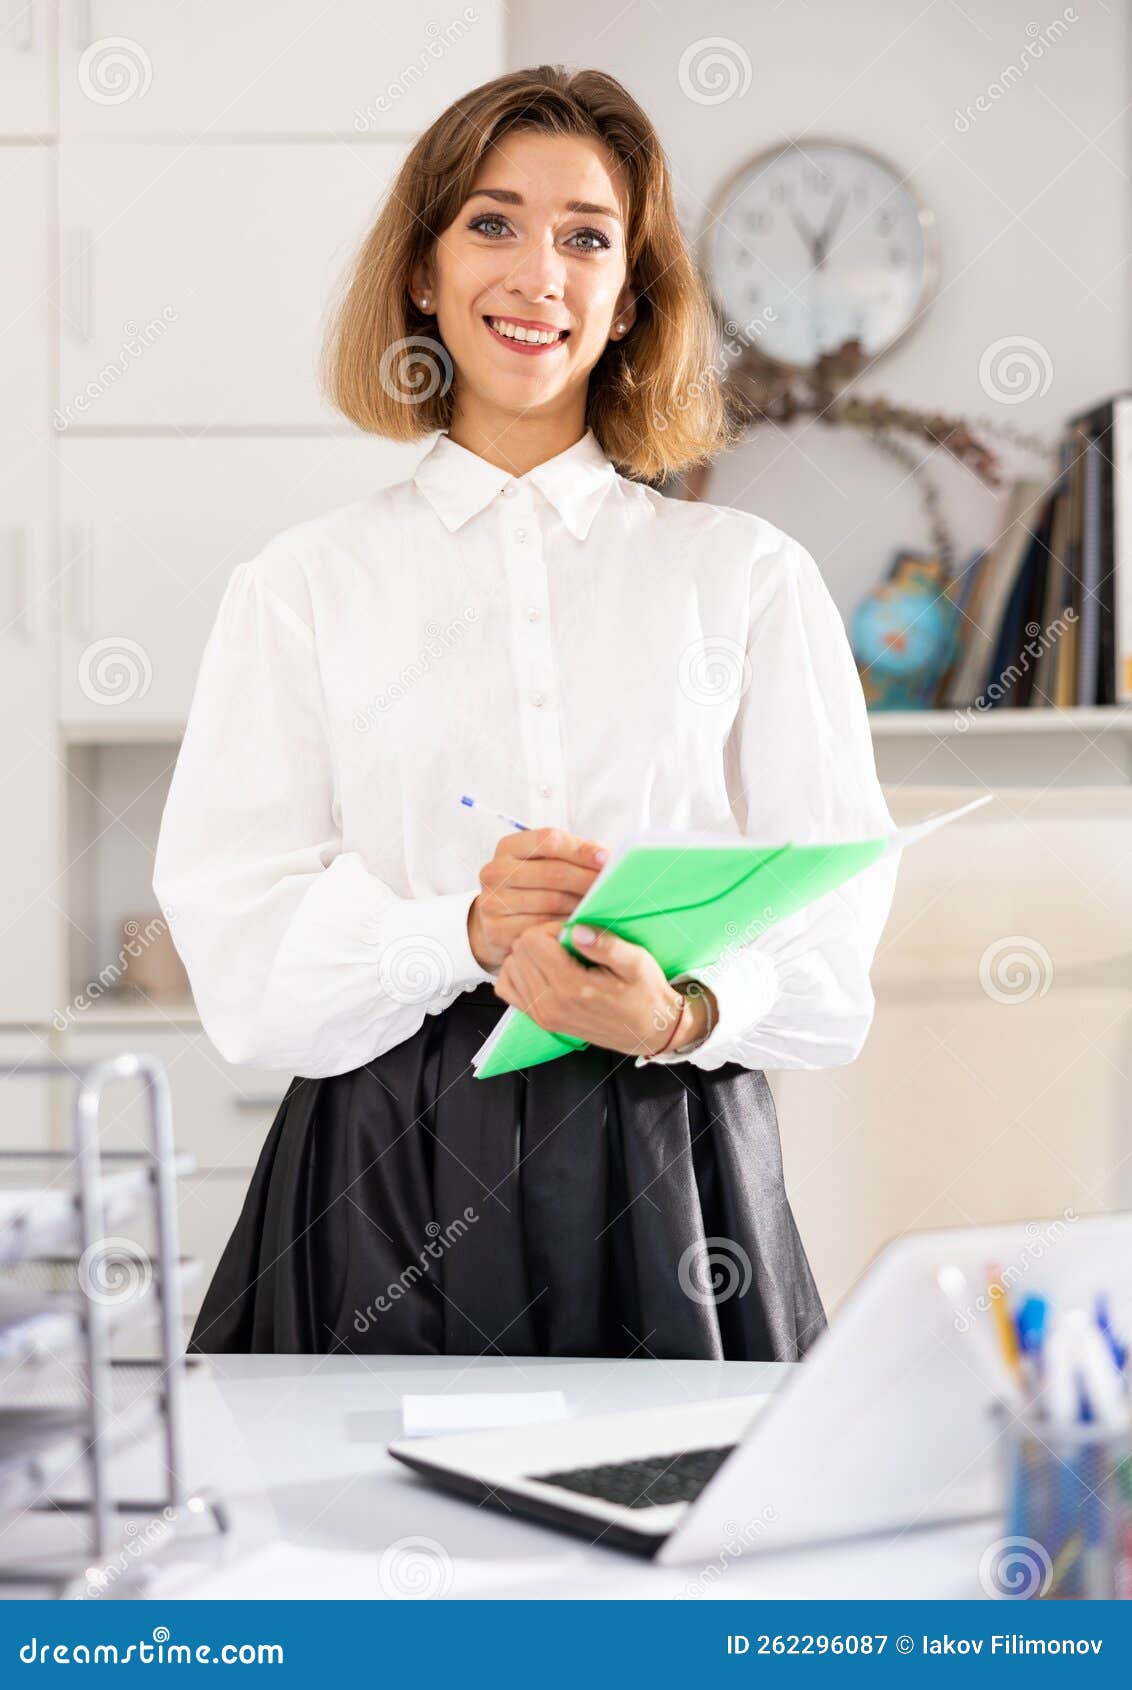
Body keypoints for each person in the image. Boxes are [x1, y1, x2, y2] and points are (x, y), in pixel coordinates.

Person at [151, 64, 900, 1362]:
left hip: (671, 1156)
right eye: (492, 223)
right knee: (366, 1547)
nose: (538, 271)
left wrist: (685, 1012)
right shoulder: (302, 585)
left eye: (586, 236)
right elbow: (239, 938)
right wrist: (459, 928)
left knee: (688, 1539)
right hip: (384, 1170)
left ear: (629, 299)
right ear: (424, 275)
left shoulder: (747, 574)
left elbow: (834, 926)